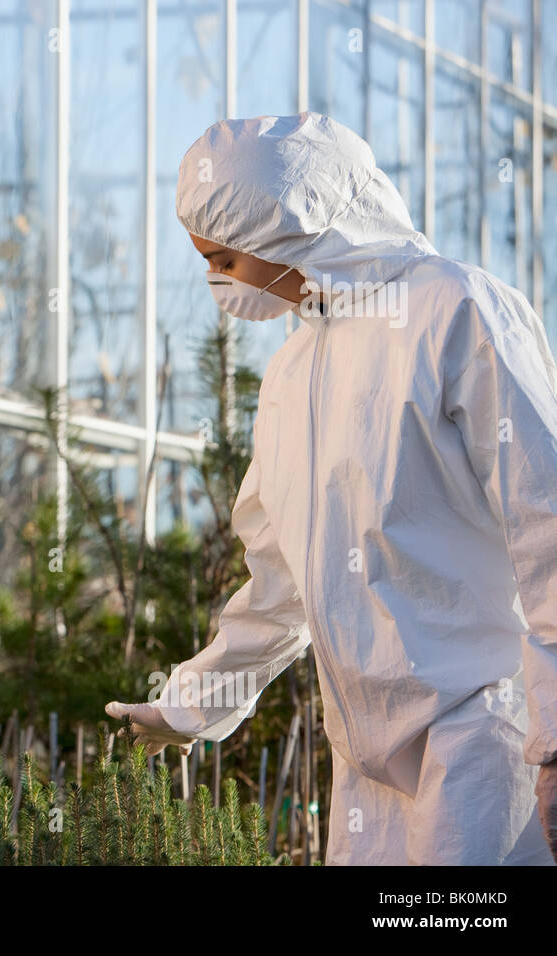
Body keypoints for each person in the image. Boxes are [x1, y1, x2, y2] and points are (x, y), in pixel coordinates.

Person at [106, 112, 557, 865]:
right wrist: (193, 703)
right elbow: (284, 582)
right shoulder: (293, 371)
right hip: (365, 762)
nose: (219, 282)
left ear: (296, 229)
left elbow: (546, 524)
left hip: (483, 741)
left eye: (226, 258)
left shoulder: (458, 310)